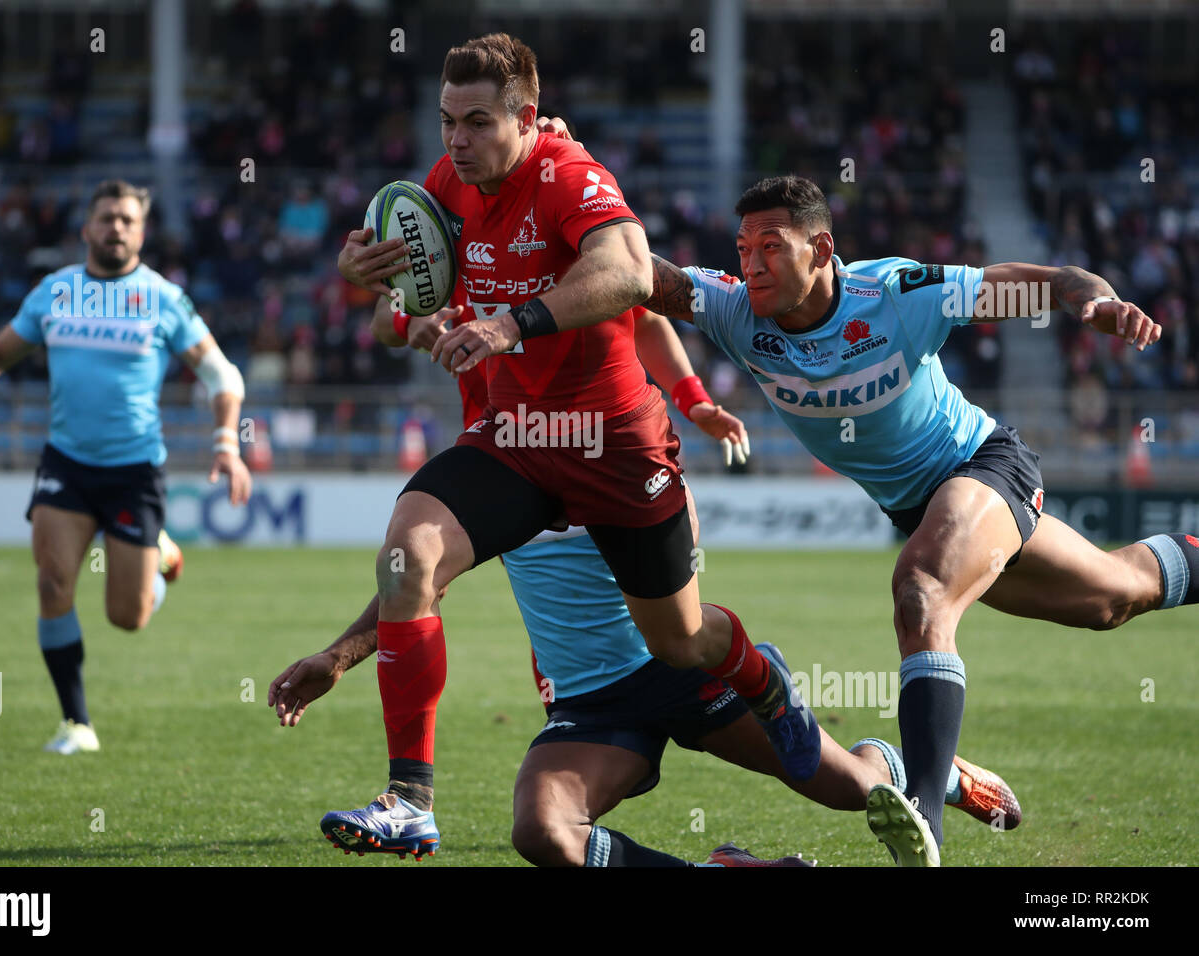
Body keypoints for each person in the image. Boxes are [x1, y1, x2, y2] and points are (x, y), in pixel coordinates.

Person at [269, 299, 1020, 865]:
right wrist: (335, 656)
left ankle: (923, 767)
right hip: (590, 703)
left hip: (685, 674)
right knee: (543, 835)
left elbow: (645, 312)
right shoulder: (494, 467)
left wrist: (692, 405)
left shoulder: (615, 430)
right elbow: (418, 576)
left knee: (857, 789)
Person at [330, 34, 819, 837]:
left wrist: (510, 329)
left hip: (610, 446)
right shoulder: (446, 184)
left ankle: (768, 688)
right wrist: (367, 277)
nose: (457, 140)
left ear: (526, 118)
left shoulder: (569, 177)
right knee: (408, 556)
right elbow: (396, 319)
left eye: (478, 122)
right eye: (447, 121)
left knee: (680, 641)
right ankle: (409, 800)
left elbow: (632, 283)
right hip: (516, 439)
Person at [641, 173, 1194, 865]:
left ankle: (925, 826)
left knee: (922, 589)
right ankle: (933, 774)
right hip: (923, 510)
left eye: (770, 247)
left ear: (820, 249)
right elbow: (640, 273)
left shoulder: (898, 293)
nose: (751, 264)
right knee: (1114, 596)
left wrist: (1098, 302)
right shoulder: (732, 309)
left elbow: (1052, 280)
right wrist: (575, 198)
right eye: (743, 247)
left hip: (985, 468)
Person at [0, 179, 252, 754]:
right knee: (53, 582)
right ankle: (75, 723)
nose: (116, 228)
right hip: (67, 465)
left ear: (142, 232)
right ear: (86, 228)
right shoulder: (54, 293)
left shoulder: (163, 299)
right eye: (106, 218)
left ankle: (162, 560)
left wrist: (227, 443)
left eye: (127, 220)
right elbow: (2, 352)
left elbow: (223, 376)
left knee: (126, 618)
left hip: (134, 472)